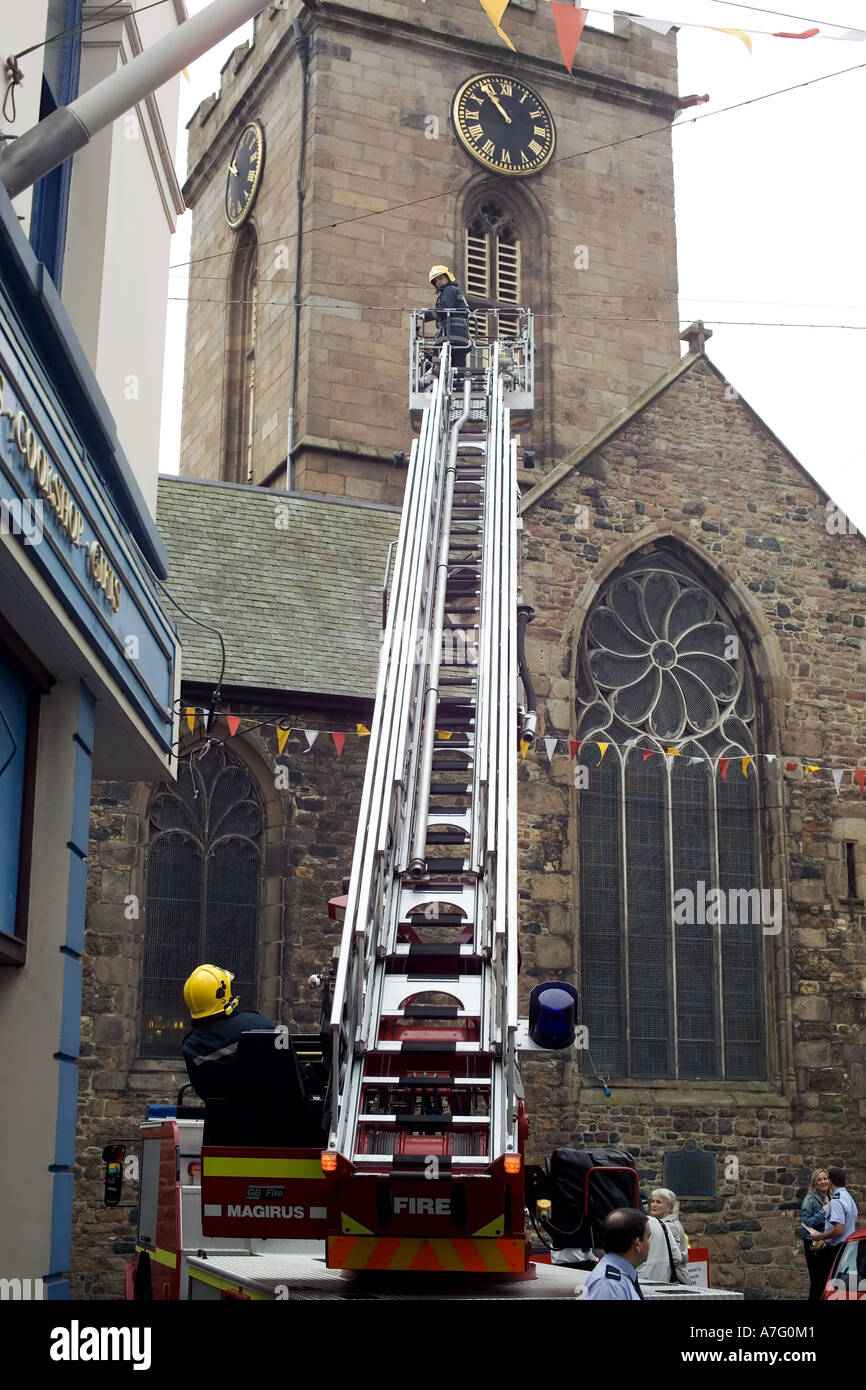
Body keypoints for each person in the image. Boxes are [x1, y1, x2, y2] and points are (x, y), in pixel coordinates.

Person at [181, 963, 276, 1101]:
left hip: (225, 1121)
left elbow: (205, 1093)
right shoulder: (260, 1024)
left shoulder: (191, 1048)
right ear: (223, 994)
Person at [803, 1166, 859, 1297]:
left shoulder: (836, 1201)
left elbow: (839, 1230)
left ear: (830, 1181)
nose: (824, 1182)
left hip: (837, 1251)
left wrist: (820, 1236)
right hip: (846, 1248)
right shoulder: (848, 1198)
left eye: (826, 1178)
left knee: (832, 1289)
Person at [581, 1208, 650, 1300]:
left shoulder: (616, 1279)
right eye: (648, 1237)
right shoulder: (610, 1284)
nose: (649, 1243)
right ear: (637, 1243)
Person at [423, 265, 470, 377]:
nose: (438, 282)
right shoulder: (455, 291)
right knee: (458, 369)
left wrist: (424, 316)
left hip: (450, 336)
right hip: (461, 338)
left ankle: (435, 379)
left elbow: (442, 310)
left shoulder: (449, 290)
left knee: (437, 361)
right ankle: (459, 387)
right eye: (435, 281)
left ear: (448, 277)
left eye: (440, 278)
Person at [643, 1187, 690, 1285]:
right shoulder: (661, 1223)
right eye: (652, 1201)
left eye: (658, 1202)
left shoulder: (669, 1226)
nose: (653, 1205)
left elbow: (675, 1257)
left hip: (674, 1277)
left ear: (668, 1208)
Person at [799, 1167, 832, 1302]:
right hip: (814, 1245)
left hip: (828, 1243)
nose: (823, 1182)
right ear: (815, 1183)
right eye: (819, 1180)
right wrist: (823, 1212)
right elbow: (805, 1222)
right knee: (817, 1281)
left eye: (825, 1179)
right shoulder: (810, 1199)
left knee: (827, 1281)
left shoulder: (832, 1197)